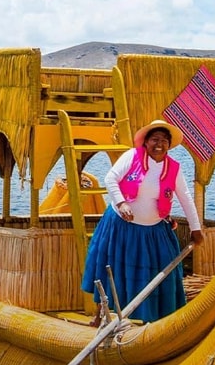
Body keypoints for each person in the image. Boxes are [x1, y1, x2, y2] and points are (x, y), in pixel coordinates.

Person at [81, 120, 204, 323]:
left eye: (164, 140)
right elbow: (110, 179)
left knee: (156, 275)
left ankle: (153, 321)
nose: (159, 144)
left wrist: (196, 228)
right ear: (146, 142)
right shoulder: (132, 156)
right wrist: (121, 203)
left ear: (169, 145)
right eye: (155, 139)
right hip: (121, 228)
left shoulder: (173, 168)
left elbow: (185, 197)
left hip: (153, 232)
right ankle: (100, 316)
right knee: (112, 269)